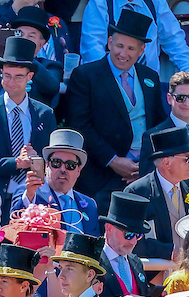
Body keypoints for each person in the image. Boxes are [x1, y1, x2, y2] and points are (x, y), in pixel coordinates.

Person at [65, 9, 166, 212]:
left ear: (142, 51)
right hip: (102, 176)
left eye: (131, 48)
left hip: (145, 173)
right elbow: (79, 125)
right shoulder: (86, 75)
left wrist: (148, 164)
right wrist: (113, 160)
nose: (123, 53)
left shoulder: (151, 77)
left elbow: (158, 123)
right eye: (119, 45)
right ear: (109, 42)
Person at [0, 37, 57, 209]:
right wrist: (15, 163)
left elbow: (51, 161)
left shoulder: (45, 114)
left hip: (33, 201)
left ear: (29, 77)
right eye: (7, 76)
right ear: (1, 74)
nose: (11, 82)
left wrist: (35, 161)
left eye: (18, 77)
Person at [98, 191, 159, 297]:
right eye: (128, 234)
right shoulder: (93, 262)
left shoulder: (135, 262)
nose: (132, 241)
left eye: (138, 236)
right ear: (109, 228)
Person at [14, 128, 98, 236]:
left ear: (78, 171)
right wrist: (30, 196)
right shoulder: (31, 193)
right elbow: (15, 222)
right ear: (47, 165)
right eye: (56, 163)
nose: (63, 169)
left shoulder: (90, 205)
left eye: (70, 165)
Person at [124, 126, 189, 260]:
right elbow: (131, 241)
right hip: (153, 277)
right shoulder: (138, 192)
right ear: (166, 162)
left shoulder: (187, 188)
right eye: (187, 159)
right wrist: (172, 252)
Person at [80, 0, 189, 76]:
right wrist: (111, 83)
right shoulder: (100, 3)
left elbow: (175, 41)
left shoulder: (156, 2)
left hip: (149, 84)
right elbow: (92, 50)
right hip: (108, 82)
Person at [140, 70, 189, 175]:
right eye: (181, 98)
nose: (187, 103)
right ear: (169, 98)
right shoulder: (153, 137)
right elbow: (149, 181)